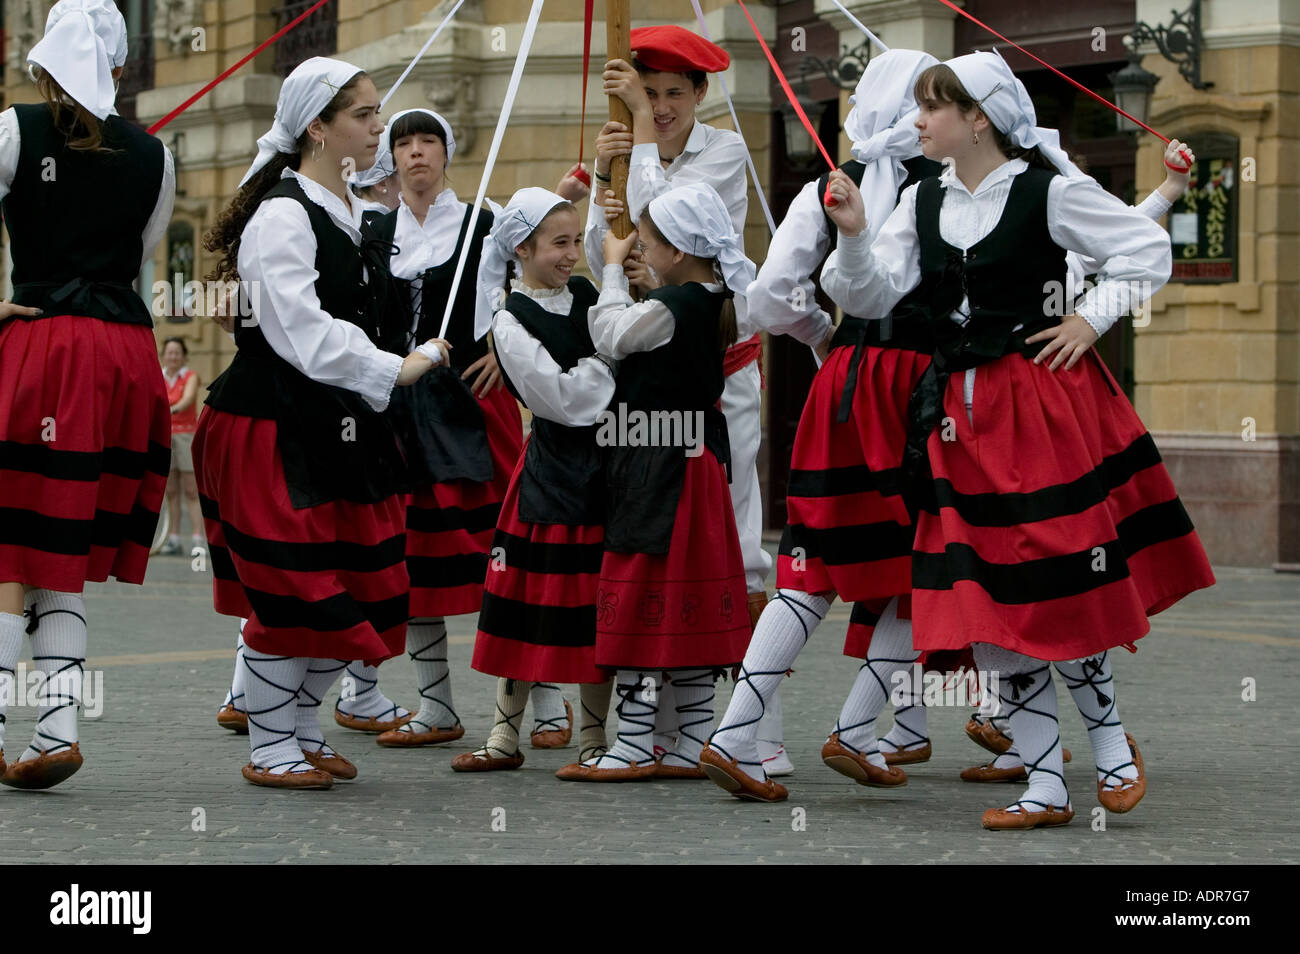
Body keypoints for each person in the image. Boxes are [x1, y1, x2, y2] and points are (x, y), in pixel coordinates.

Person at [808, 51, 1214, 828]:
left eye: (933, 107)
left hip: (1032, 408)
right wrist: (855, 235)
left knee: (1062, 582)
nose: (918, 120)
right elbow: (867, 293)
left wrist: (1088, 320)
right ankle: (1046, 784)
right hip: (953, 422)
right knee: (988, 599)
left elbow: (1144, 250)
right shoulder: (921, 197)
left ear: (978, 119)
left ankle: (1111, 750)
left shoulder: (1046, 190)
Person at [195, 57, 448, 789]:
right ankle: (271, 744)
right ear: (318, 127)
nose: (380, 126)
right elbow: (297, 330)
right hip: (271, 425)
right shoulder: (281, 213)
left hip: (335, 423)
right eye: (365, 115)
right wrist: (389, 368)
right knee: (295, 584)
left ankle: (302, 729)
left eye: (377, 112)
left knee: (363, 584)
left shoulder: (344, 209)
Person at [734, 50, 943, 793]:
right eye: (928, 99)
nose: (932, 114)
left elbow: (764, 298)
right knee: (928, 562)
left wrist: (826, 335)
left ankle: (737, 731)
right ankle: (859, 729)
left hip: (844, 386)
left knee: (809, 563)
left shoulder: (836, 180)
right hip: (915, 390)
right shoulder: (941, 184)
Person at [960, 135, 1200, 783]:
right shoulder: (964, 214)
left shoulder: (1048, 212)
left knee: (1064, 558)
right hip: (989, 408)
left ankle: (1073, 736)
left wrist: (1172, 192)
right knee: (991, 569)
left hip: (1059, 400)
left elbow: (1126, 233)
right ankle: (1015, 734)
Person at [589, 23, 787, 766]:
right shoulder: (627, 150)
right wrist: (607, 180)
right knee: (659, 549)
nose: (663, 107)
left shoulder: (724, 151)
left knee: (734, 546)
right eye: (652, 94)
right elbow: (612, 248)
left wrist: (637, 134)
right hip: (648, 379)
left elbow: (668, 224)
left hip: (717, 375)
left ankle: (757, 735)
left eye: (674, 94)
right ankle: (679, 732)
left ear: (701, 95)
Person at [0, 0, 175, 789]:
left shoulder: (12, 130)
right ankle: (58, 727)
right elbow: (136, 253)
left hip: (42, 350)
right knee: (56, 555)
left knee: (9, 547)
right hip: (122, 358)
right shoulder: (155, 154)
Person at [557, 182, 752, 781]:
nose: (639, 245)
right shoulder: (705, 297)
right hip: (692, 467)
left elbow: (610, 334)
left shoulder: (678, 306)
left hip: (659, 469)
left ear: (675, 249)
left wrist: (613, 272)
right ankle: (690, 740)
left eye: (649, 239)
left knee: (644, 601)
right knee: (682, 605)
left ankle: (636, 744)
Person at [449, 187, 618, 772]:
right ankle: (503, 736)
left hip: (603, 474)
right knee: (524, 604)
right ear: (522, 248)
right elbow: (567, 400)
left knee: (594, 607)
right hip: (550, 474)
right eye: (560, 244)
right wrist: (609, 365)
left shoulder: (588, 296)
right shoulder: (510, 322)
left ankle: (594, 739)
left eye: (576, 241)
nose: (572, 254)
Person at [159, 337, 206, 557]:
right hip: (164, 436)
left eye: (177, 353)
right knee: (170, 491)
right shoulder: (158, 376)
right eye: (170, 352)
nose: (173, 357)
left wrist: (169, 410)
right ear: (164, 355)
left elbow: (187, 400)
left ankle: (198, 539)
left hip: (186, 435)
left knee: (191, 490)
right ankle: (173, 538)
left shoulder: (190, 376)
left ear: (183, 356)